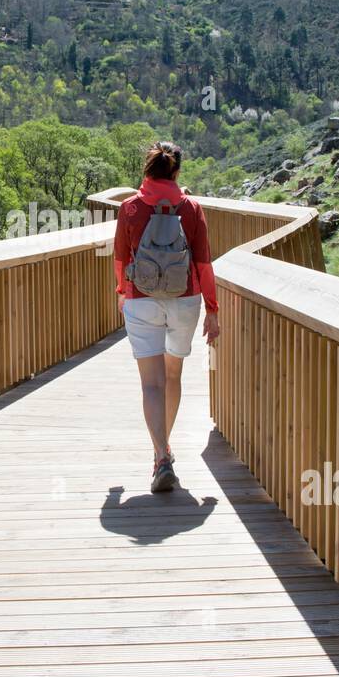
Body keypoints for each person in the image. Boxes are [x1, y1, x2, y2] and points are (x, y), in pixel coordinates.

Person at [114, 141, 220, 492]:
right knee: (173, 375)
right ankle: (165, 447)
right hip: (185, 300)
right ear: (176, 171)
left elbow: (119, 260)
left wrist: (121, 292)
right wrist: (213, 310)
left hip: (141, 300)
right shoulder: (190, 208)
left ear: (148, 170)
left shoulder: (129, 208)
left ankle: (161, 455)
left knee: (151, 383)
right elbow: (203, 263)